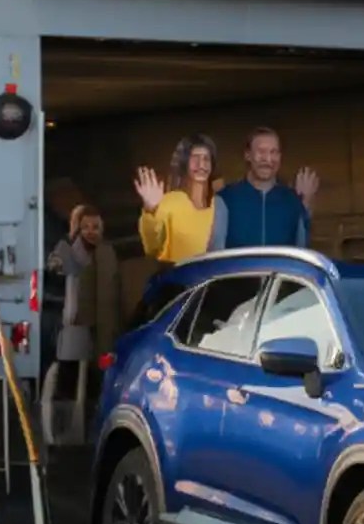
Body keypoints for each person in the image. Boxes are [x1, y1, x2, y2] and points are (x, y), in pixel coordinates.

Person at [42, 204, 120, 444]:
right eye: (85, 226)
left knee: (96, 382)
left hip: (102, 328)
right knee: (68, 379)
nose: (90, 231)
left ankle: (91, 433)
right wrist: (70, 238)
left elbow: (114, 293)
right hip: (75, 326)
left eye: (95, 227)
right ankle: (62, 434)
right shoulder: (71, 250)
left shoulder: (107, 252)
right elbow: (54, 266)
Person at [212, 126, 319, 249]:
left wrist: (305, 204)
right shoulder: (226, 199)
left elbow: (301, 249)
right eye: (261, 151)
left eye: (274, 152)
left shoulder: (292, 201)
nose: (268, 159)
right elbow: (216, 252)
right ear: (248, 155)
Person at [136, 133, 227, 264]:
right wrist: (151, 210)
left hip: (209, 275)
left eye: (206, 159)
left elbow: (219, 255)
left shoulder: (219, 206)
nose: (201, 164)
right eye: (195, 158)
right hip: (175, 275)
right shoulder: (169, 202)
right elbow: (152, 248)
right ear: (184, 163)